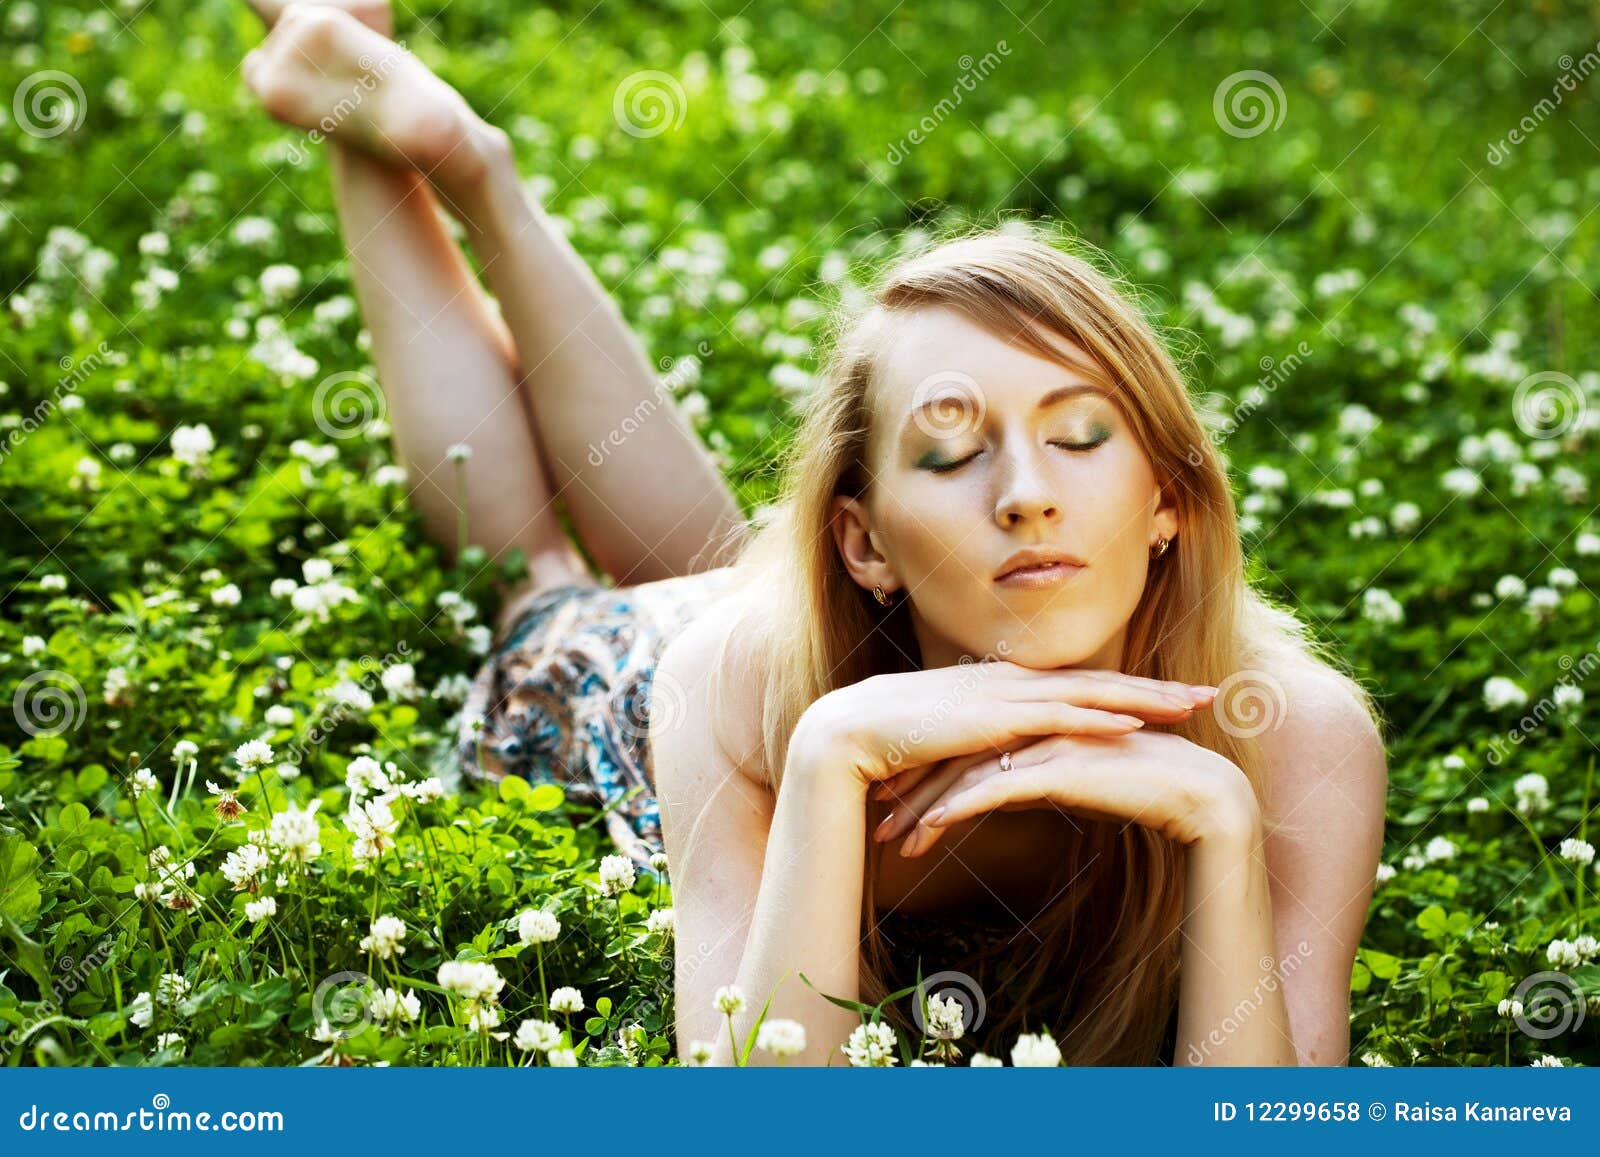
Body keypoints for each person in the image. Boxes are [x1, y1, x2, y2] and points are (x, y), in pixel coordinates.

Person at [239, 0, 1390, 1067]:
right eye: (949, 453)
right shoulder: (739, 685)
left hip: (828, 631)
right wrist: (831, 751)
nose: (1026, 495)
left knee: (716, 571)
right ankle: (422, 149)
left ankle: (449, 143)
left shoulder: (1292, 740)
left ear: (1170, 499)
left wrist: (1222, 825)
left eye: (1079, 436)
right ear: (862, 540)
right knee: (539, 581)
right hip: (689, 685)